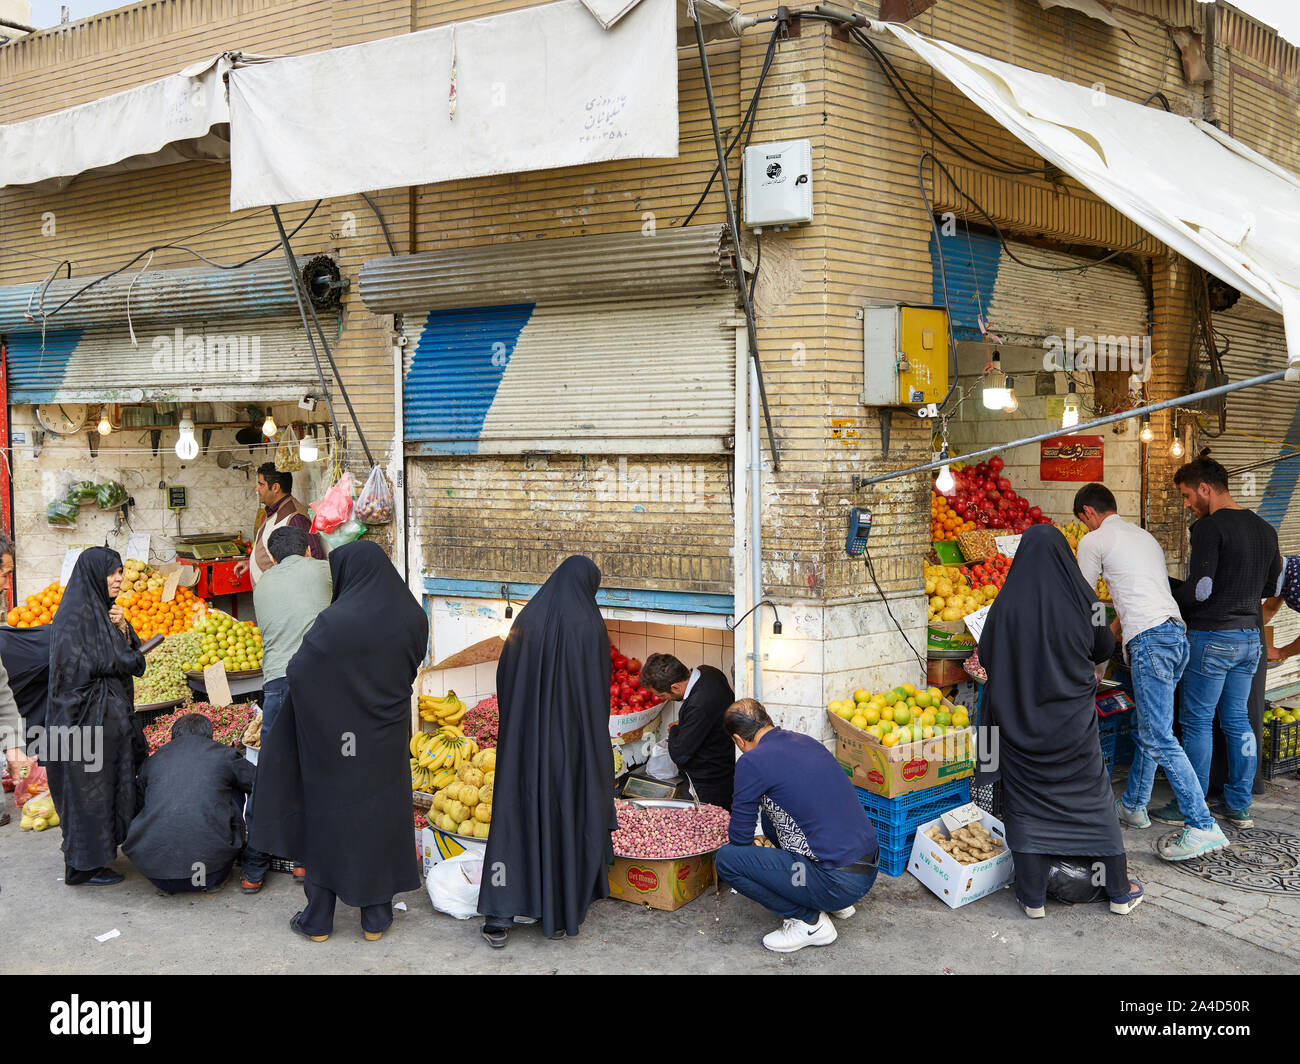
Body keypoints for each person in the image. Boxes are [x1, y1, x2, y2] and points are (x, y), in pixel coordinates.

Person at [250, 540, 428, 942]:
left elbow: (297, 671)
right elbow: (410, 667)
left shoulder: (334, 622)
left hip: (335, 747)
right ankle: (375, 919)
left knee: (328, 822)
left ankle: (318, 921)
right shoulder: (413, 616)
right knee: (378, 821)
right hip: (386, 744)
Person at [976, 524, 1144, 918]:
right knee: (1094, 801)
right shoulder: (1087, 601)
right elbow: (1104, 645)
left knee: (1026, 806)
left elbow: (985, 658)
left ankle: (1032, 897)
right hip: (1072, 730)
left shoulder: (1005, 604)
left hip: (1018, 730)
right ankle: (1118, 892)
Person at [1072, 483, 1228, 861]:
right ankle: (1135, 804)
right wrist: (1103, 653)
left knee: (1159, 736)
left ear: (1088, 514)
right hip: (1176, 635)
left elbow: (1085, 603)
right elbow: (1131, 606)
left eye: (1083, 521)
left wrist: (1087, 657)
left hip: (1150, 642)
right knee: (1151, 729)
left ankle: (1202, 823)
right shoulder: (1144, 537)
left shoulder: (1095, 541)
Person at [478, 555, 616, 948]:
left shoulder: (528, 618)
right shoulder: (590, 625)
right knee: (566, 817)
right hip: (572, 748)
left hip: (523, 746)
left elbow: (505, 677)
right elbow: (597, 696)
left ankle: (499, 916)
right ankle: (558, 915)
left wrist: (521, 724)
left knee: (513, 821)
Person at [1162, 457, 1280, 830]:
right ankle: (1240, 803)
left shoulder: (1210, 528)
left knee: (1196, 722)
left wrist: (1169, 598)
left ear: (1205, 489)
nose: (1186, 504)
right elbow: (1273, 587)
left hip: (1213, 636)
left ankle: (1191, 803)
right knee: (1238, 720)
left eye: (1186, 495)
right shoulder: (1265, 528)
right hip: (1250, 637)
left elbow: (1200, 590)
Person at [714, 699, 878, 953]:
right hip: (867, 867)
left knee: (728, 860)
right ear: (766, 721)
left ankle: (809, 922)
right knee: (771, 818)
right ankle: (831, 902)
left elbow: (740, 837)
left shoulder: (752, 761)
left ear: (738, 740)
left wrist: (757, 863)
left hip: (836, 882)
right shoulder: (807, 741)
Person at [45, 547, 148, 887]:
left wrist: (122, 628)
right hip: (81, 724)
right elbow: (126, 661)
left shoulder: (101, 613)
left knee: (104, 789)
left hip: (100, 721)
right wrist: (123, 641)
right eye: (112, 573)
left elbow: (128, 657)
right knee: (87, 793)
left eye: (120, 572)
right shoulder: (76, 618)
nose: (119, 579)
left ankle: (96, 858)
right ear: (93, 576)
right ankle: (82, 865)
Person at [239, 525, 332, 893]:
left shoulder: (262, 586)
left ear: (274, 559)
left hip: (276, 684)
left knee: (271, 773)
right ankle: (303, 861)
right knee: (314, 768)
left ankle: (253, 868)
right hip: (317, 681)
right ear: (308, 551)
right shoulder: (323, 570)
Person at [123, 713, 255, 895]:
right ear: (210, 735)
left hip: (157, 875)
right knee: (234, 784)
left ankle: (173, 878)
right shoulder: (224, 755)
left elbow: (138, 804)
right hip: (210, 873)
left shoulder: (154, 760)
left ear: (174, 735)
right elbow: (258, 781)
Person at [639, 653, 736, 809]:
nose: (663, 699)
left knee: (706, 826)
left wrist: (676, 729)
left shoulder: (698, 706)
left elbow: (680, 754)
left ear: (675, 687)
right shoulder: (710, 672)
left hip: (710, 782)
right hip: (726, 763)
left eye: (662, 695)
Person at [232, 463, 323, 586]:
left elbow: (314, 555)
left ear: (275, 487)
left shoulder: (295, 517)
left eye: (261, 484)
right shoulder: (274, 510)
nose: (257, 489)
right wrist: (252, 562)